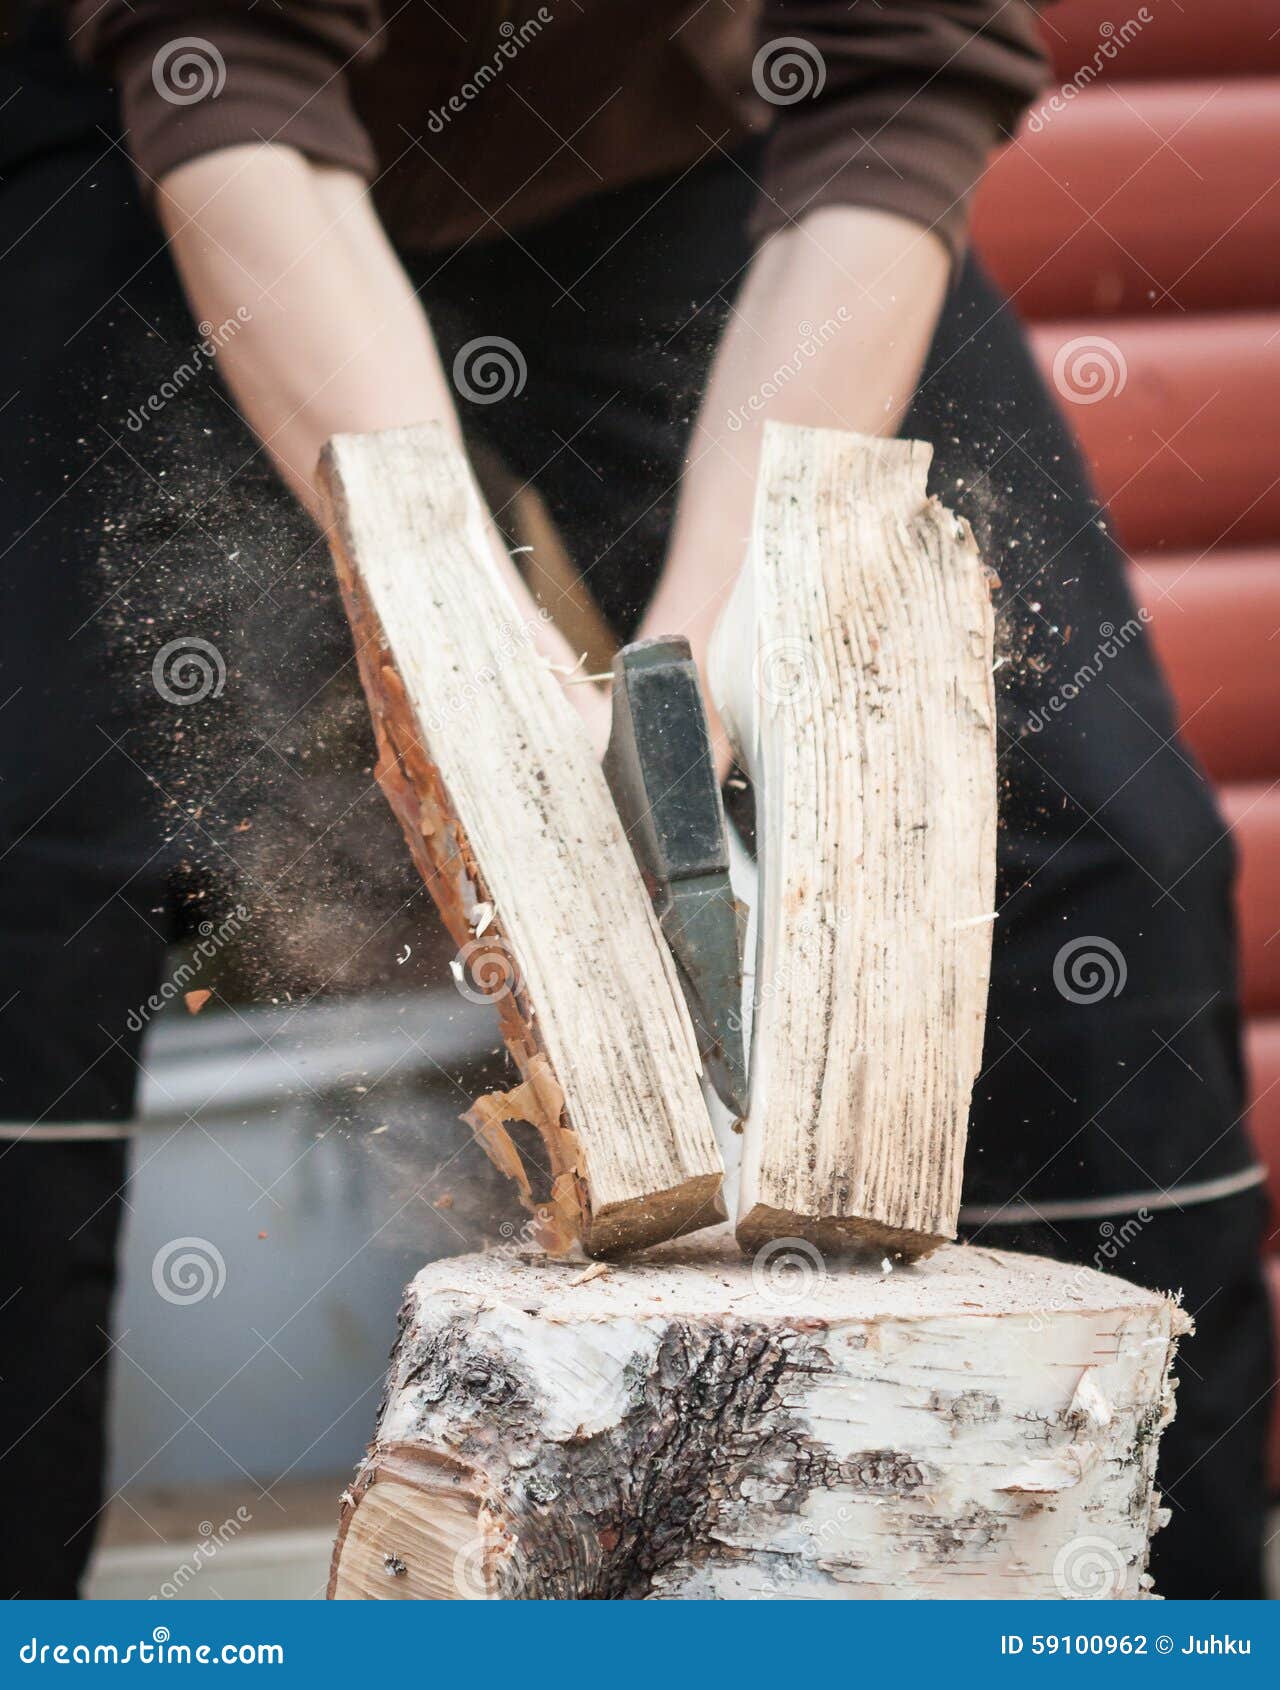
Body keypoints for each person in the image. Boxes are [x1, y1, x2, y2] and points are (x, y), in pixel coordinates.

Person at [0, 0, 1269, 1598]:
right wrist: (449, 612)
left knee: (1092, 849)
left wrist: (715, 626)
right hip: (155, 114)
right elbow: (225, 63)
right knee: (25, 854)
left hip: (671, 133)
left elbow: (902, 74)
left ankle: (1165, 1624)